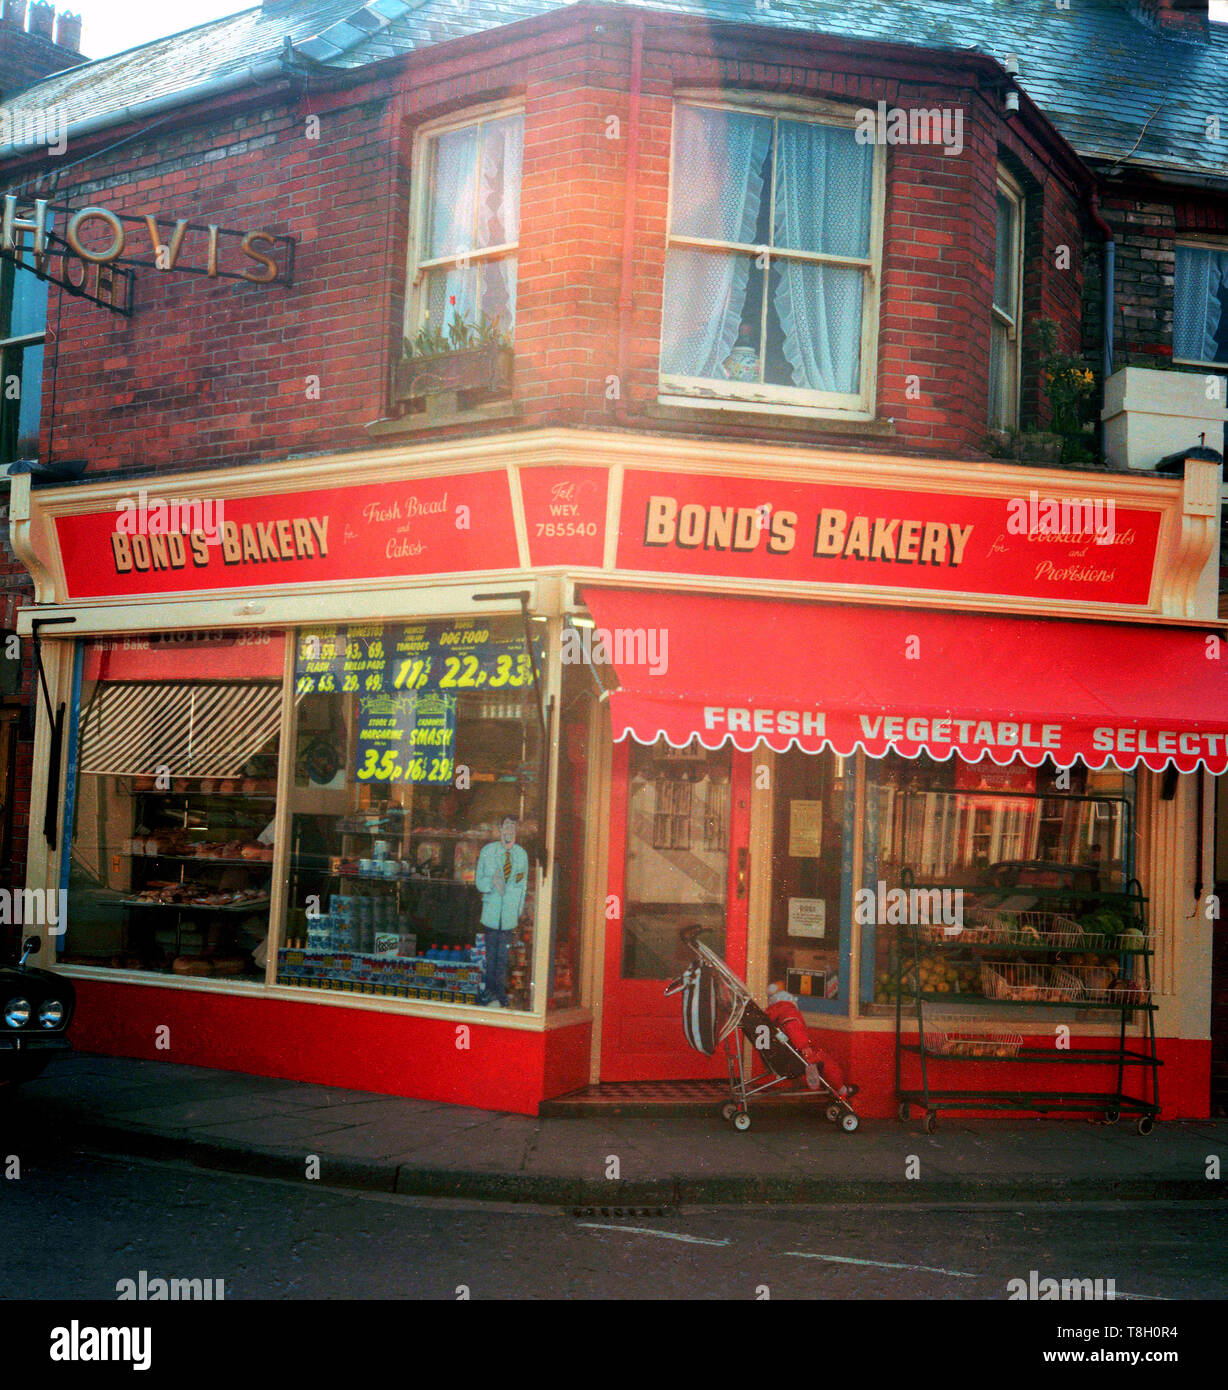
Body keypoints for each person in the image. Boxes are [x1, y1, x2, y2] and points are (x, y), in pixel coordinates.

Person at [765, 982, 858, 1100]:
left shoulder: (780, 1015)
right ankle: (841, 1089)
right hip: (803, 1055)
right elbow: (796, 1033)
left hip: (790, 1055)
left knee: (822, 1062)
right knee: (825, 1061)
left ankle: (832, 1086)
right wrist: (805, 1047)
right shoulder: (790, 1015)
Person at [475, 815, 529, 1007]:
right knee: (491, 955)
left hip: (509, 914)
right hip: (491, 912)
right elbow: (479, 882)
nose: (509, 830)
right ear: (500, 828)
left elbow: (522, 887)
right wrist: (492, 882)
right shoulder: (488, 851)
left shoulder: (521, 854)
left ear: (516, 830)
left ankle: (500, 993)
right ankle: (490, 992)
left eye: (512, 827)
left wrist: (519, 912)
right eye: (506, 826)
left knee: (503, 957)